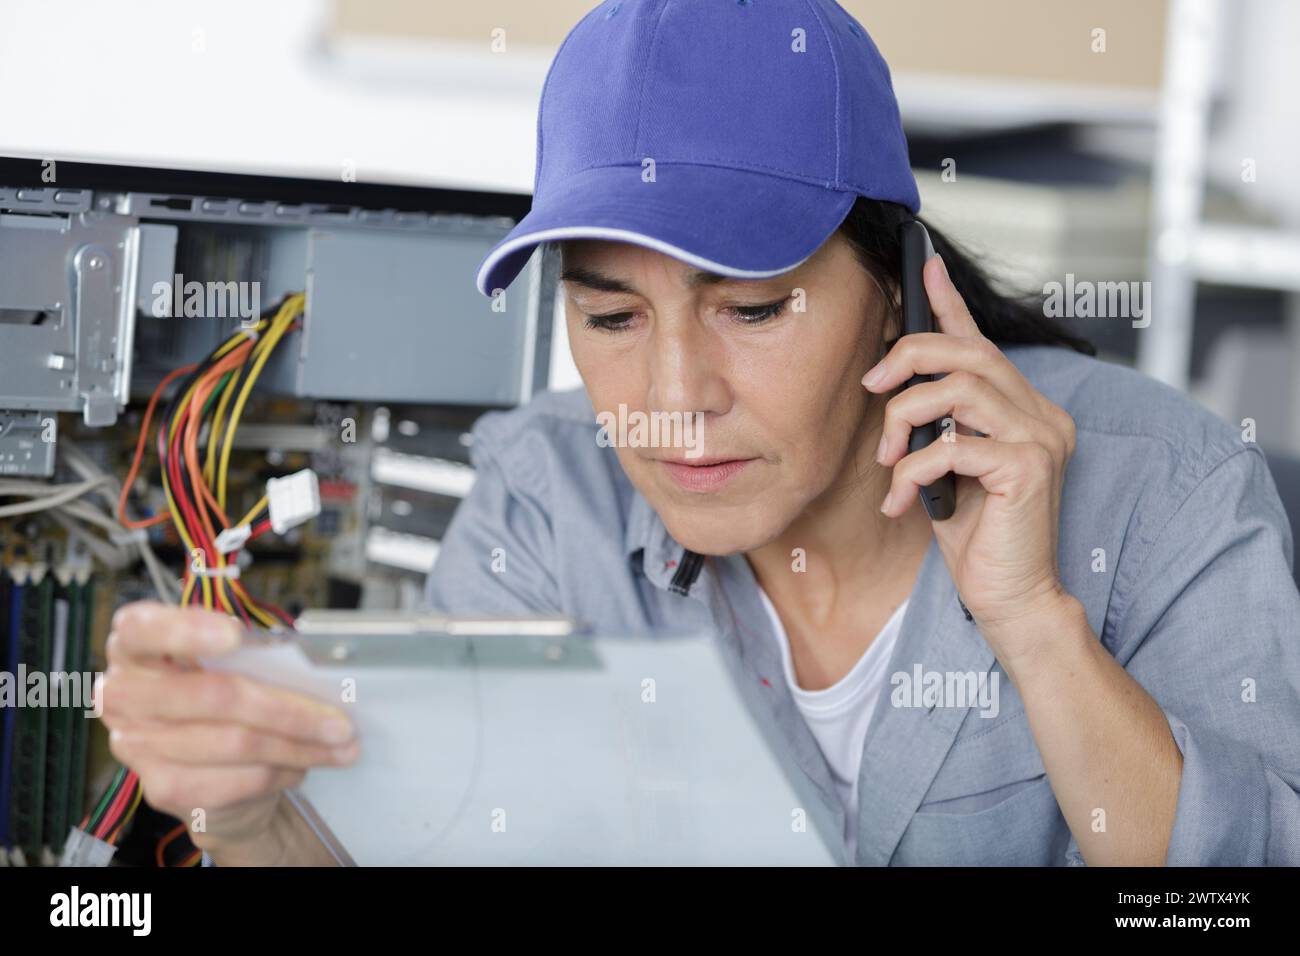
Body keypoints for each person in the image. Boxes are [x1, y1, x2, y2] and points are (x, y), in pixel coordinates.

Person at [100, 0, 1300, 866]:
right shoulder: (544, 498)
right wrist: (247, 813)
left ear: (899, 279)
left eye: (754, 306)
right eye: (610, 313)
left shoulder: (1165, 485)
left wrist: (1034, 620)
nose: (674, 391)